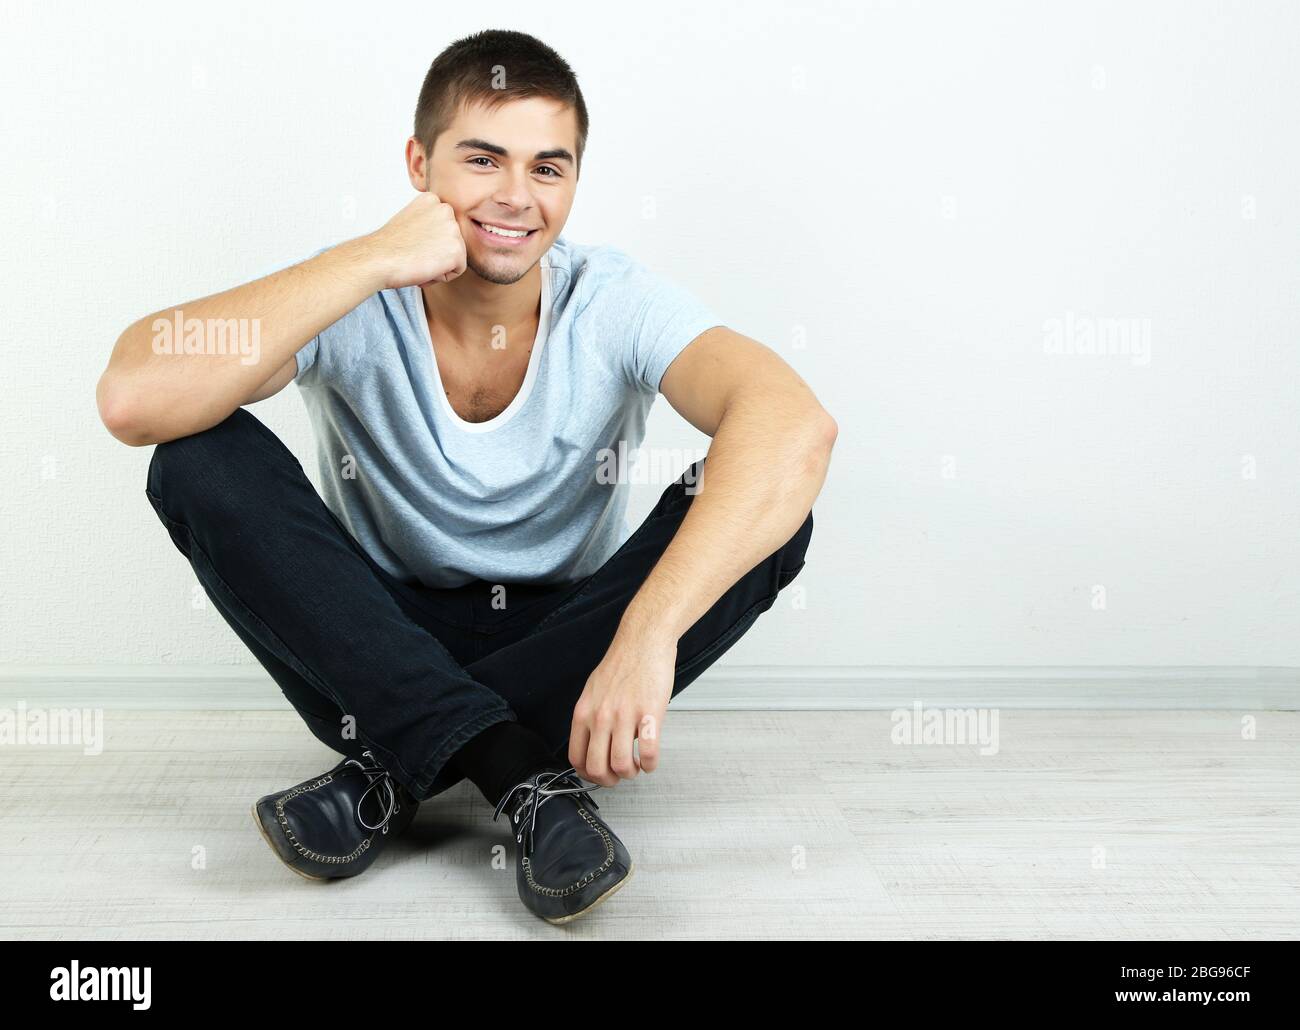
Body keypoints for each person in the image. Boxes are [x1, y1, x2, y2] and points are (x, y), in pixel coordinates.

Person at [95, 28, 836, 925]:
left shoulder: (613, 299)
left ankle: (393, 770)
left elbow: (797, 425)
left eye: (548, 169)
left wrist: (647, 635)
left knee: (772, 502)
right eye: (483, 159)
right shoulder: (354, 294)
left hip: (574, 640)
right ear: (419, 162)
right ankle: (521, 774)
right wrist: (371, 258)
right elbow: (133, 396)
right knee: (197, 455)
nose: (516, 198)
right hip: (367, 646)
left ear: (573, 184)